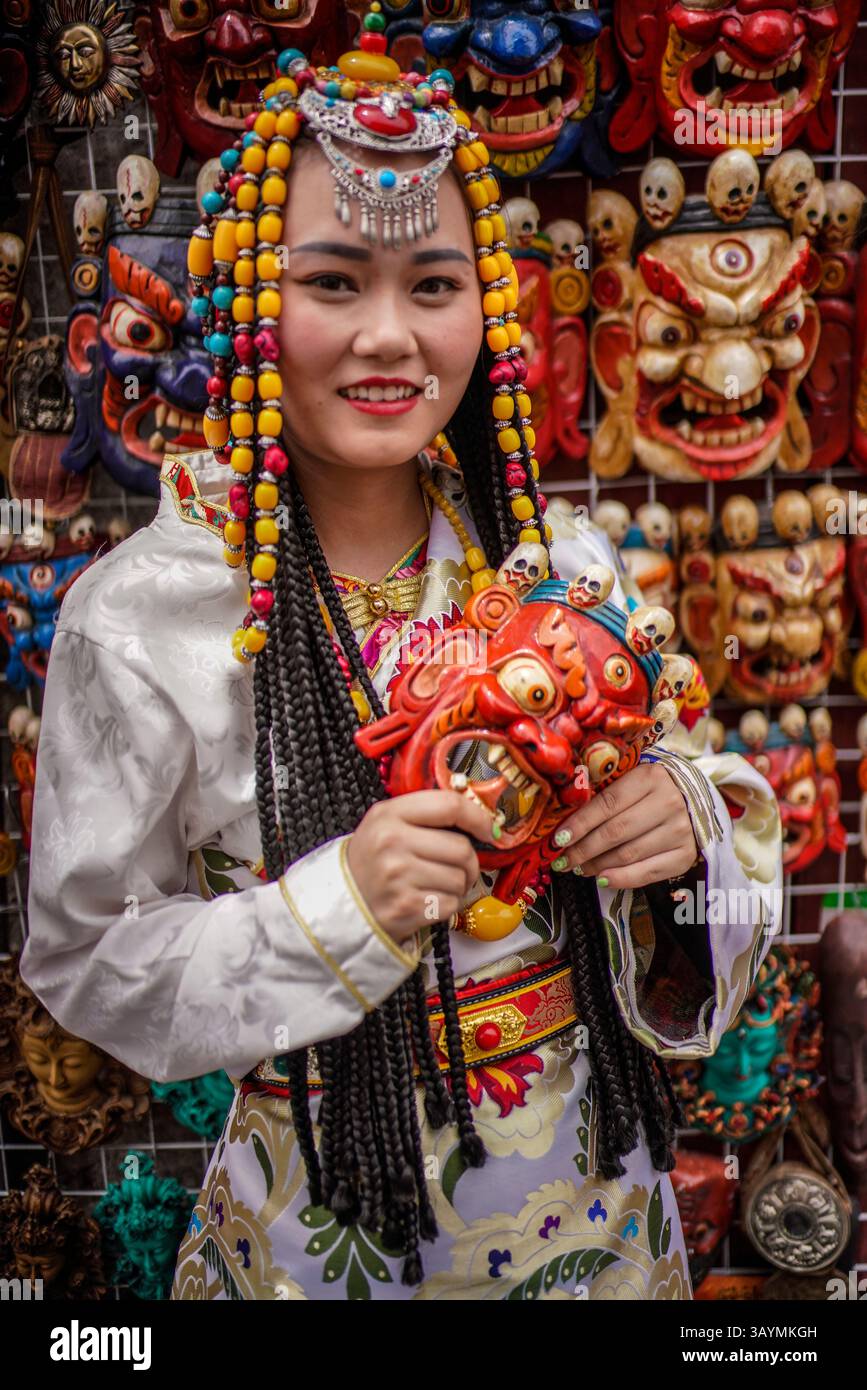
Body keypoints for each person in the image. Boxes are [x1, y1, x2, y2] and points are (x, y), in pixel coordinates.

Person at [21, 20, 783, 1301]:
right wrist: (337, 908)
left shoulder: (559, 560)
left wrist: (685, 828)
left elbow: (721, 869)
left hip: (602, 1219)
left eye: (432, 285)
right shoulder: (151, 614)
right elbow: (83, 956)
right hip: (329, 1230)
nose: (391, 337)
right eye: (333, 283)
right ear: (250, 298)